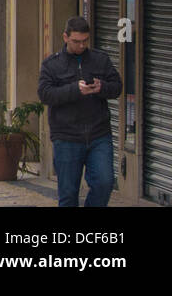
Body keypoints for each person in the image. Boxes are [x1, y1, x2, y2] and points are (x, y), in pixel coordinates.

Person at [37, 16, 122, 207]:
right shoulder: (52, 65)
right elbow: (45, 94)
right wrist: (76, 90)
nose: (81, 46)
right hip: (66, 136)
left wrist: (102, 87)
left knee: (104, 183)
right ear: (65, 37)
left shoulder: (100, 60)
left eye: (85, 41)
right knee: (68, 194)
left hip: (99, 134)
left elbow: (117, 87)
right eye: (76, 41)